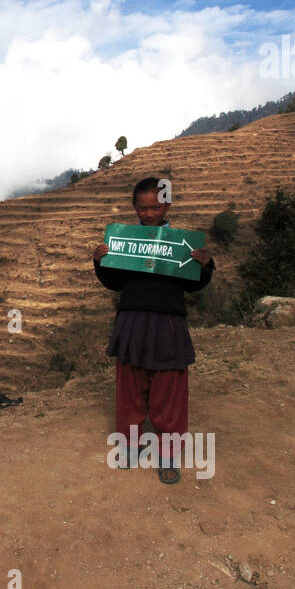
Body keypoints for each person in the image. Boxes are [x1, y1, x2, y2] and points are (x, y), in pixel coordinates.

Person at [91, 176, 215, 484]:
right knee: (130, 387)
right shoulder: (125, 241)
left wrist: (205, 265)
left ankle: (168, 456)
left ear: (167, 206)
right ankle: (130, 447)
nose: (149, 214)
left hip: (168, 323)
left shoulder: (181, 244)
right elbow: (115, 283)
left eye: (156, 208)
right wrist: (100, 262)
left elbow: (195, 285)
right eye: (143, 208)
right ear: (135, 208)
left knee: (169, 390)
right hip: (132, 320)